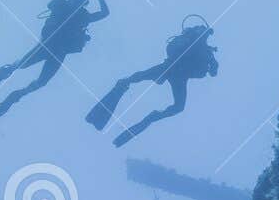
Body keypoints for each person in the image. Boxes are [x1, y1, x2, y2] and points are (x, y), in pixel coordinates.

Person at [0, 0, 109, 121]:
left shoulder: (80, 15)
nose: (77, 0)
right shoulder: (64, 7)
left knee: (37, 78)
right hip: (51, 48)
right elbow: (52, 5)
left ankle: (10, 97)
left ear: (82, 3)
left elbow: (105, 13)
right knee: (23, 67)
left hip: (54, 50)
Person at [86, 16, 219, 146]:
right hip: (172, 69)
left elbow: (213, 73)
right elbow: (176, 51)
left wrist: (213, 64)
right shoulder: (195, 43)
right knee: (140, 78)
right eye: (202, 30)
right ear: (197, 31)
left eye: (205, 31)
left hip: (176, 74)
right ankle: (124, 89)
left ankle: (149, 116)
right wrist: (211, 62)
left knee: (177, 106)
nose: (205, 33)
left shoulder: (206, 51)